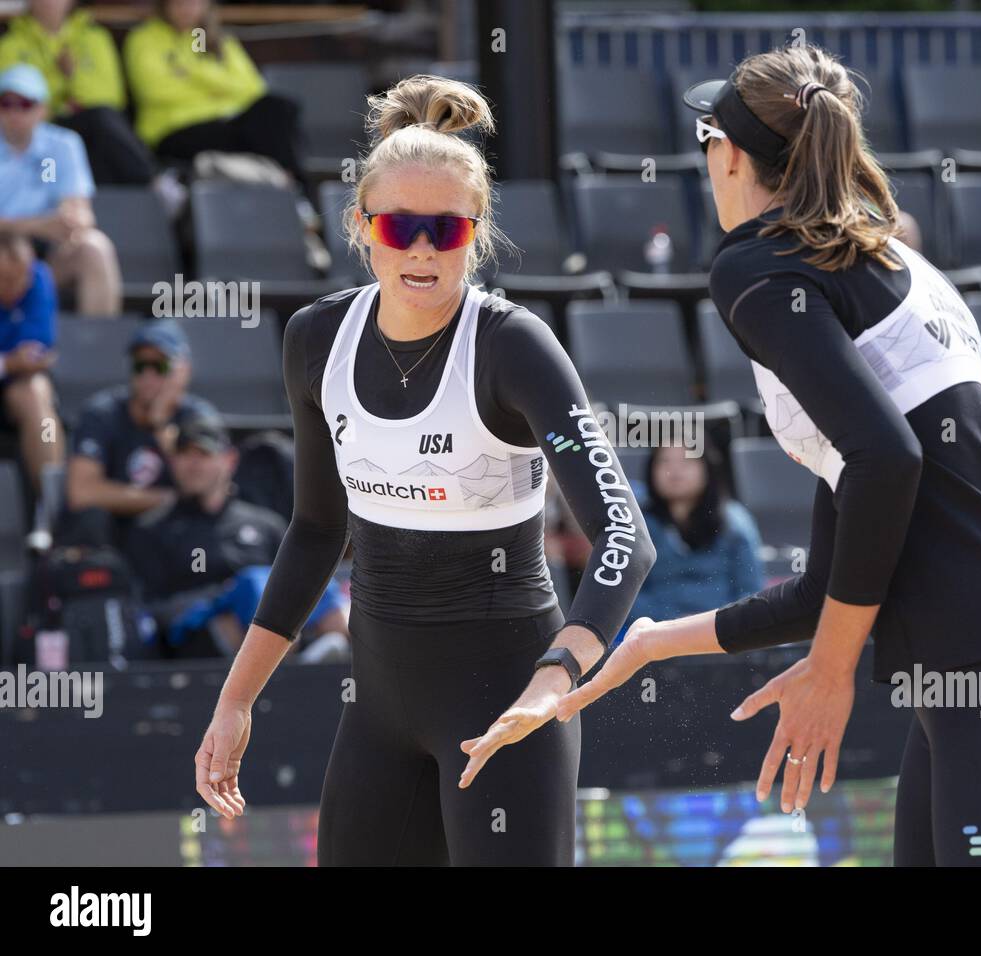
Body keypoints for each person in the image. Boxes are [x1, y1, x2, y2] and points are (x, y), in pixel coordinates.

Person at [558, 44, 981, 868]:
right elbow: (837, 577)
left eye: (708, 136)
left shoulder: (760, 265)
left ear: (732, 152)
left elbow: (888, 462)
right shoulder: (887, 266)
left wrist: (830, 672)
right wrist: (651, 641)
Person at [193, 75, 655, 866]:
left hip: (508, 707)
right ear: (361, 227)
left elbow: (624, 536)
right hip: (378, 714)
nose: (419, 249)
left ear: (473, 236)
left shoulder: (512, 345)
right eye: (398, 225)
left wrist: (557, 677)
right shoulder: (316, 339)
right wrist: (236, 700)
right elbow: (313, 530)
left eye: (444, 230)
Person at [123, 411, 349, 659]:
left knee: (314, 579)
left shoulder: (264, 524)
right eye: (184, 454)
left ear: (229, 460)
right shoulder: (153, 529)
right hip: (199, 635)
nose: (193, 464)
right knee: (252, 584)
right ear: (172, 462)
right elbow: (146, 609)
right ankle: (288, 662)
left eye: (204, 454)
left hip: (267, 622)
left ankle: (337, 654)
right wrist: (221, 596)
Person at [0, 0, 184, 208]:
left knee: (100, 127)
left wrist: (71, 78)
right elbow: (14, 99)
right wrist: (59, 80)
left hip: (88, 126)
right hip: (38, 129)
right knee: (91, 131)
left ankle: (138, 212)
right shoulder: (10, 44)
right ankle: (154, 184)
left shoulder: (95, 37)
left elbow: (111, 97)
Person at [62, 318, 217, 546]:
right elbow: (82, 493)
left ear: (183, 372)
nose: (148, 376)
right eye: (140, 366)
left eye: (160, 366)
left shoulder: (197, 417)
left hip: (172, 541)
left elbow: (206, 493)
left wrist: (162, 428)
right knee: (91, 520)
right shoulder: (102, 413)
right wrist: (165, 500)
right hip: (114, 536)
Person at [123, 0, 306, 186]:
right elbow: (154, 91)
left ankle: (290, 183)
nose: (187, 9)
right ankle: (295, 190)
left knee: (279, 107)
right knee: (266, 136)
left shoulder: (203, 38)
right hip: (175, 130)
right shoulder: (145, 38)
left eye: (195, 3)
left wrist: (190, 73)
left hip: (225, 123)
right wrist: (217, 90)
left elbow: (253, 88)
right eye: (180, 3)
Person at [0, 63, 121, 316]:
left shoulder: (62, 145)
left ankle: (96, 347)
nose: (14, 112)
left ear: (42, 109)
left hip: (49, 253)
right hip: (4, 249)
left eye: (24, 104)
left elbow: (80, 208)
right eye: (6, 103)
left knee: (94, 247)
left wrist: (73, 220)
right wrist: (33, 226)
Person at [616, 440, 763, 644]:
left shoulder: (735, 523)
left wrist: (709, 626)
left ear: (707, 469)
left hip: (723, 636)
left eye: (686, 462)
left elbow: (750, 591)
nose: (675, 471)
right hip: (653, 635)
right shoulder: (636, 525)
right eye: (665, 461)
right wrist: (673, 623)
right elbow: (625, 596)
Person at [0, 232, 63, 498]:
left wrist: (15, 364)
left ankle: (53, 507)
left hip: (15, 384)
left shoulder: (38, 278)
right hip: (9, 369)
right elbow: (19, 358)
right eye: (6, 279)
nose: (19, 286)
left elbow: (39, 347)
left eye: (23, 276)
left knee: (37, 395)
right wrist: (9, 362)